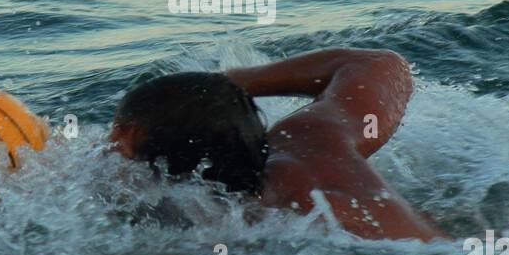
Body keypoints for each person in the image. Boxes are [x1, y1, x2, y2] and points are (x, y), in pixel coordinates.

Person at [109, 48, 445, 241]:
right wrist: (224, 88)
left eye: (117, 141)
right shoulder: (309, 138)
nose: (108, 151)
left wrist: (217, 86)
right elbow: (376, 64)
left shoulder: (262, 226)